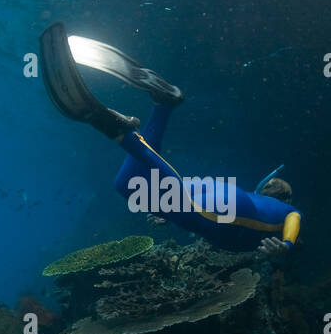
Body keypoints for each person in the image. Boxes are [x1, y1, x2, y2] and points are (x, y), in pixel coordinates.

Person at [39, 23, 301, 255]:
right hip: (231, 208)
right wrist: (287, 245)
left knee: (129, 186)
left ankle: (163, 106)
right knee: (165, 198)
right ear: (285, 199)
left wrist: (167, 210)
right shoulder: (288, 210)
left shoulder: (256, 195)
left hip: (220, 192)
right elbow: (293, 220)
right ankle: (114, 126)